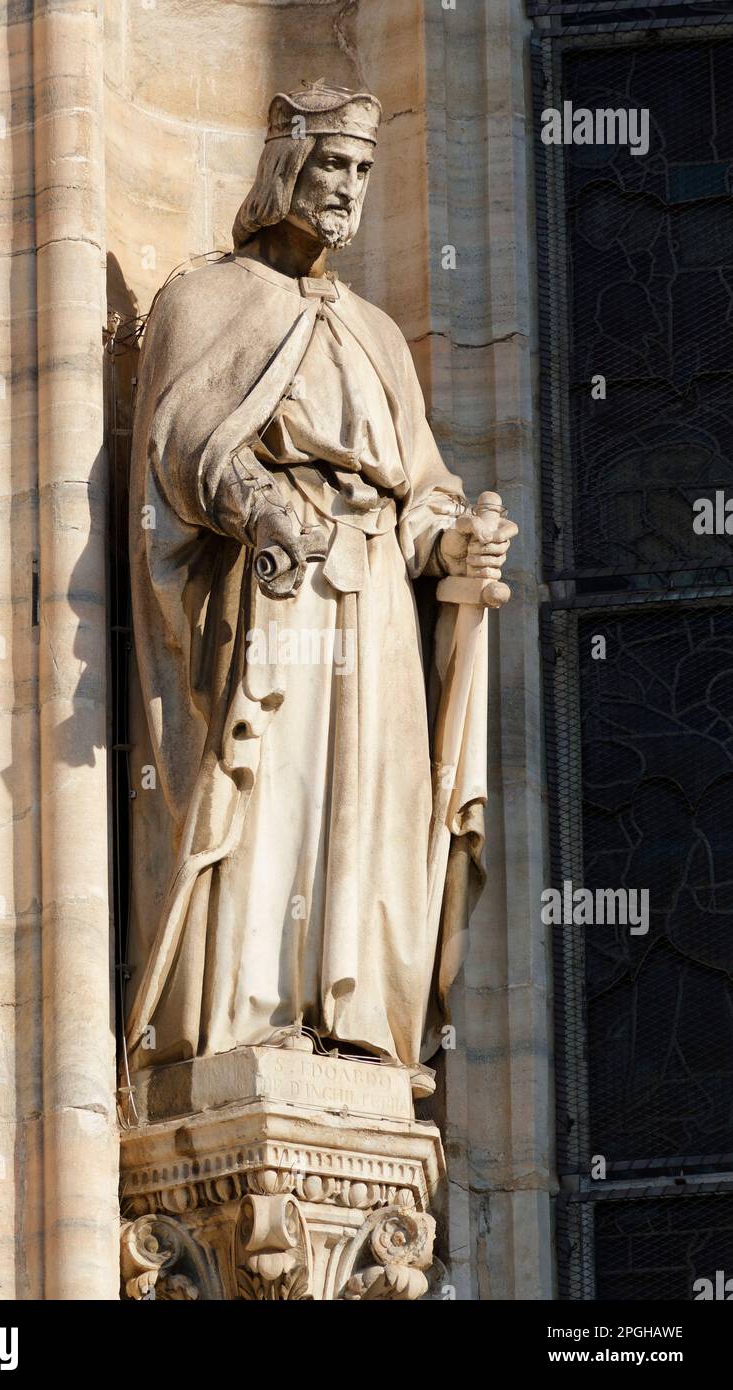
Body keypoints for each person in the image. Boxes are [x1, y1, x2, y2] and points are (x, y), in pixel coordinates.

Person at [125, 83, 511, 1071]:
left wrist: (454, 543)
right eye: (331, 164)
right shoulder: (201, 298)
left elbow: (417, 490)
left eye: (363, 170)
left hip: (373, 592)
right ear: (283, 165)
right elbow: (179, 443)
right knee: (272, 797)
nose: (347, 187)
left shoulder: (379, 335)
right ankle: (242, 1025)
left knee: (367, 808)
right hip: (274, 590)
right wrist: (256, 501)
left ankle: (350, 1022)